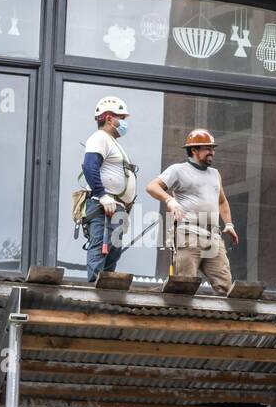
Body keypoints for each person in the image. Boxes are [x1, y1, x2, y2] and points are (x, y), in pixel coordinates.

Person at [145, 129, 237, 295]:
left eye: (213, 149)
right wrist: (170, 200)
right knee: (184, 285)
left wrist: (229, 224)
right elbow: (152, 187)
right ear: (194, 150)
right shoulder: (178, 170)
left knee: (226, 287)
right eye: (207, 148)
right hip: (189, 233)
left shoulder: (215, 174)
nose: (212, 152)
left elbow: (222, 201)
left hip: (213, 236)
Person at [79, 95, 139, 282]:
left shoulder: (112, 142)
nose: (123, 123)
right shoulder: (99, 138)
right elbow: (89, 166)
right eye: (121, 118)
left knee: (113, 250)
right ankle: (94, 290)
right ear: (109, 118)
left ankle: (105, 288)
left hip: (115, 207)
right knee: (100, 246)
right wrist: (102, 195)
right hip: (103, 205)